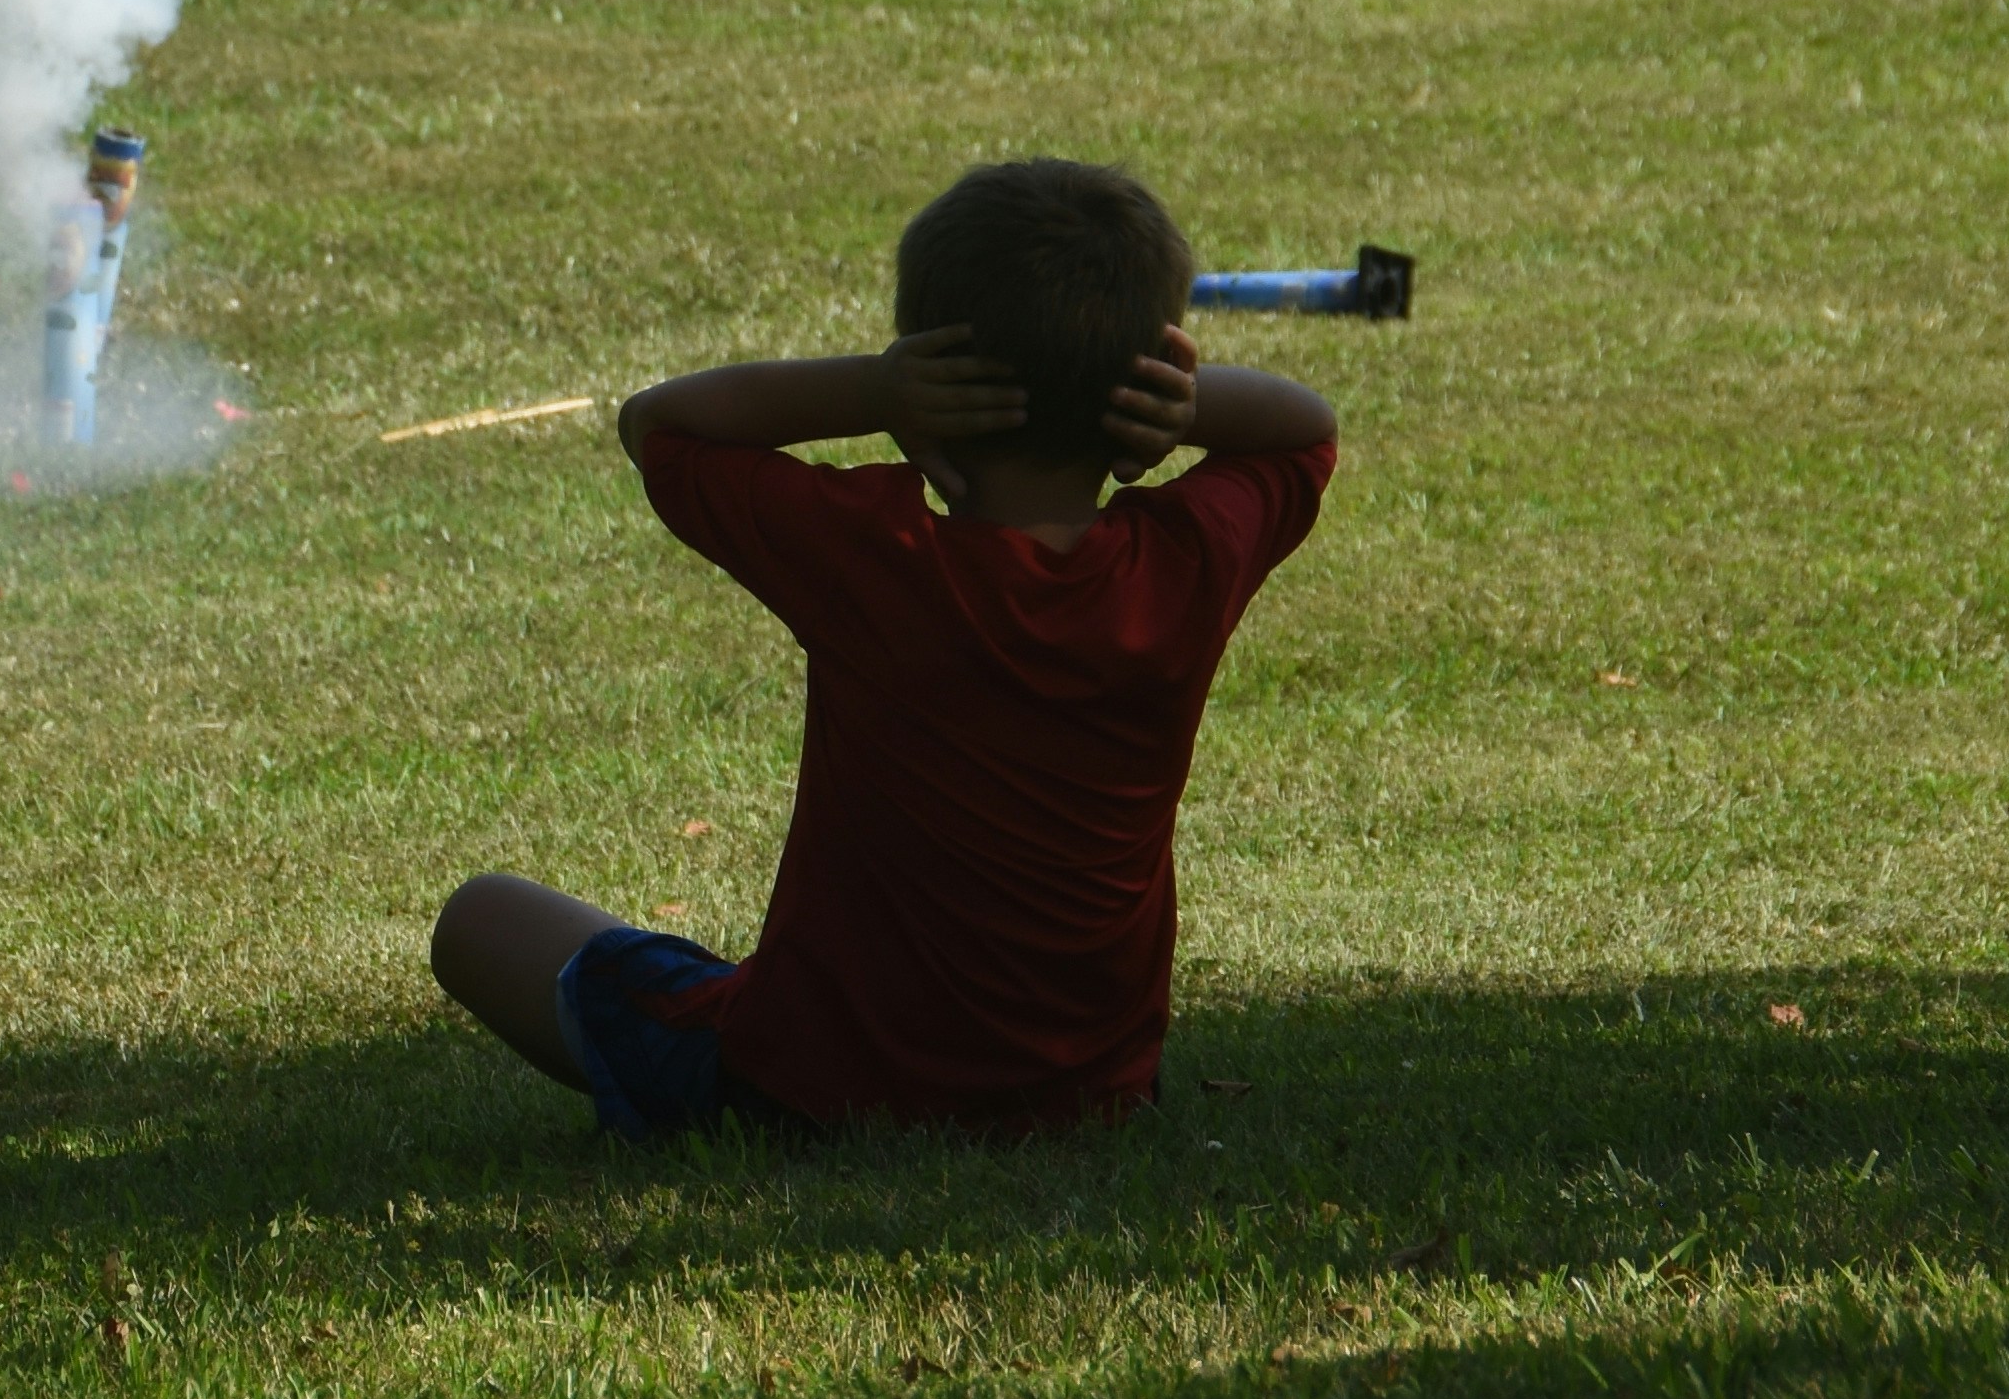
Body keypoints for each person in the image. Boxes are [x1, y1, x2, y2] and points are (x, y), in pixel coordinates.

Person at [429, 158, 1340, 1142]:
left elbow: (660, 424)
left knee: (483, 917)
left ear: (924, 359)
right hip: (1082, 1103)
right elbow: (1302, 433)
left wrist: (870, 388)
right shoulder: (1179, 570)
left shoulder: (876, 555)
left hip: (807, 1091)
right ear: (1156, 361)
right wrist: (1174, 401)